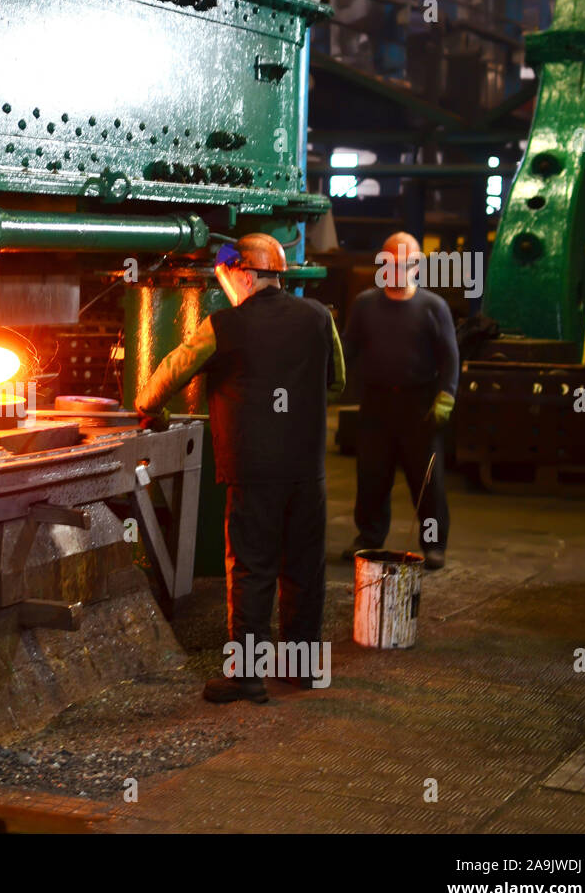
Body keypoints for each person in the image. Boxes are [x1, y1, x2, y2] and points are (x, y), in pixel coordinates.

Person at [137, 234, 346, 704]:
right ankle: (300, 670)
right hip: (306, 469)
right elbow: (339, 379)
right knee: (303, 568)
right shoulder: (319, 317)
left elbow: (166, 377)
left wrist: (152, 410)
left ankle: (247, 677)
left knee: (251, 569)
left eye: (226, 278)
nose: (226, 288)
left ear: (245, 274)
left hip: (253, 470)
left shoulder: (224, 324)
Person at [341, 231, 458, 570]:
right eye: (390, 262)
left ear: (417, 265)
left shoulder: (433, 307)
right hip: (376, 406)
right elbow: (347, 350)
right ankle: (369, 538)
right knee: (372, 476)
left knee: (428, 484)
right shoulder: (364, 305)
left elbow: (450, 357)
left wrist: (446, 395)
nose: (396, 269)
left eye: (404, 263)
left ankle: (434, 545)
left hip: (419, 408)